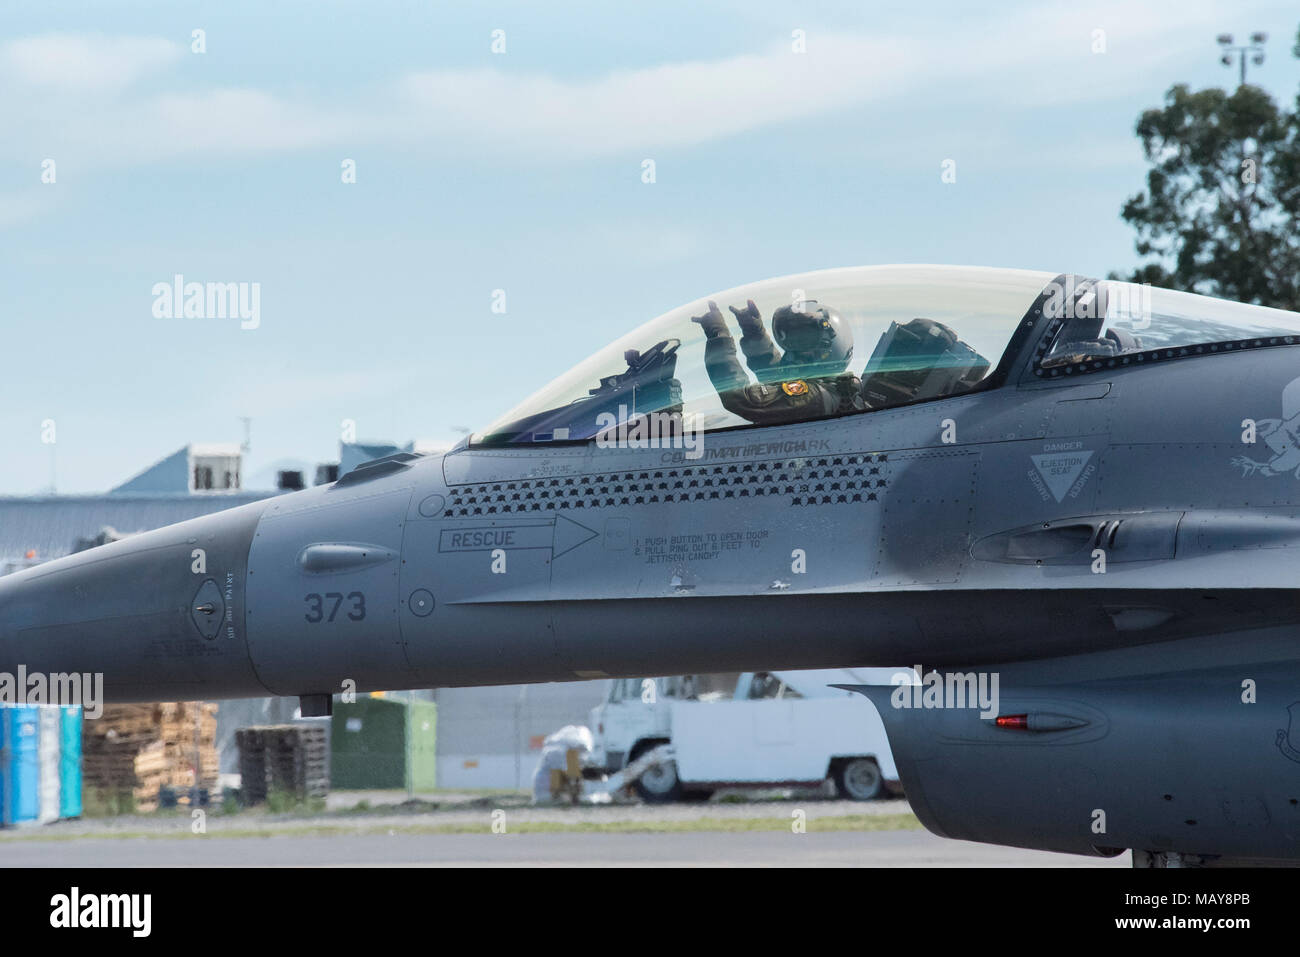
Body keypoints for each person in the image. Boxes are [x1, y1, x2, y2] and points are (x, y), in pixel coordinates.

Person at [692, 298, 864, 425]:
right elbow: (774, 376)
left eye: (803, 342)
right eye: (791, 342)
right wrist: (754, 333)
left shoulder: (814, 397)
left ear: (830, 349)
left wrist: (718, 337)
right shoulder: (830, 389)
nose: (792, 353)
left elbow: (742, 399)